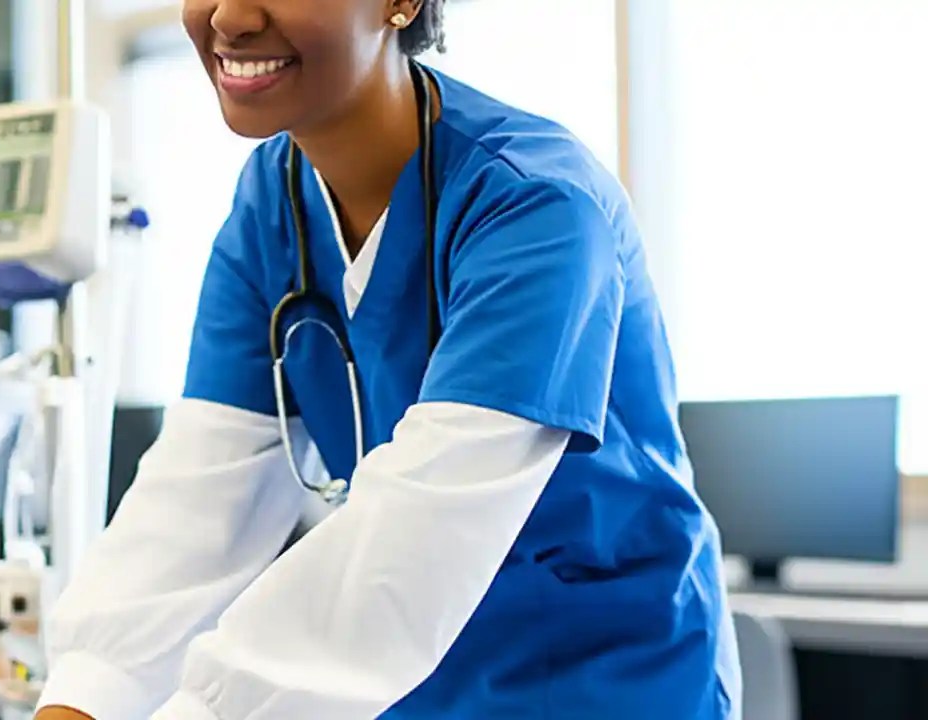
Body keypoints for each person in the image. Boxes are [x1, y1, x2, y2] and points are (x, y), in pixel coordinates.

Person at [36, 0, 741, 718]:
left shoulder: (536, 207)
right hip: (401, 684)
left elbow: (421, 536)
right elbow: (195, 505)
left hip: (605, 683)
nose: (232, 16)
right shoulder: (271, 204)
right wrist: (85, 697)